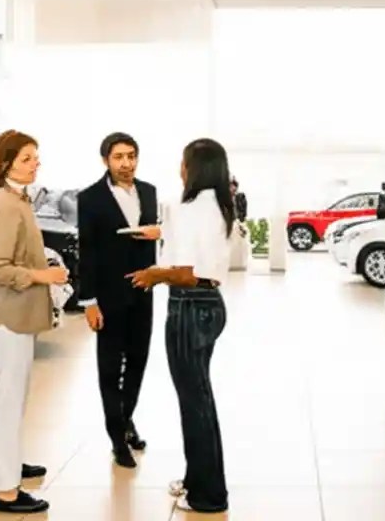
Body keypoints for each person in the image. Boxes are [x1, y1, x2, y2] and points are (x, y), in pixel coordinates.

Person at [128, 138, 233, 514]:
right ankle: (197, 480)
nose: (179, 168)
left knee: (195, 403)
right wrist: (163, 234)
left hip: (189, 305)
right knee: (198, 399)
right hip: (209, 305)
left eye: (183, 162)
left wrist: (153, 274)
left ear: (193, 168)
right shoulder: (218, 204)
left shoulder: (190, 207)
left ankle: (208, 496)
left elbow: (186, 273)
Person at [0, 130, 69, 515]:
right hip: (6, 316)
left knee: (2, 396)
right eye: (28, 158)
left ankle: (0, 461)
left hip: (8, 315)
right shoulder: (8, 205)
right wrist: (45, 276)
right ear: (7, 162)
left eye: (36, 157)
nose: (36, 163)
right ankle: (5, 490)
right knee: (8, 401)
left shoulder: (13, 199)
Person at [75, 132, 161, 468]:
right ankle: (116, 438)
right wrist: (89, 301)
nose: (126, 163)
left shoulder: (150, 192)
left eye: (131, 156)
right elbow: (87, 252)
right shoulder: (91, 198)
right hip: (108, 297)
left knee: (138, 362)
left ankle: (126, 418)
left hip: (143, 292)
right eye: (119, 157)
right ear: (106, 161)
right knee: (110, 368)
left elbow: (154, 239)